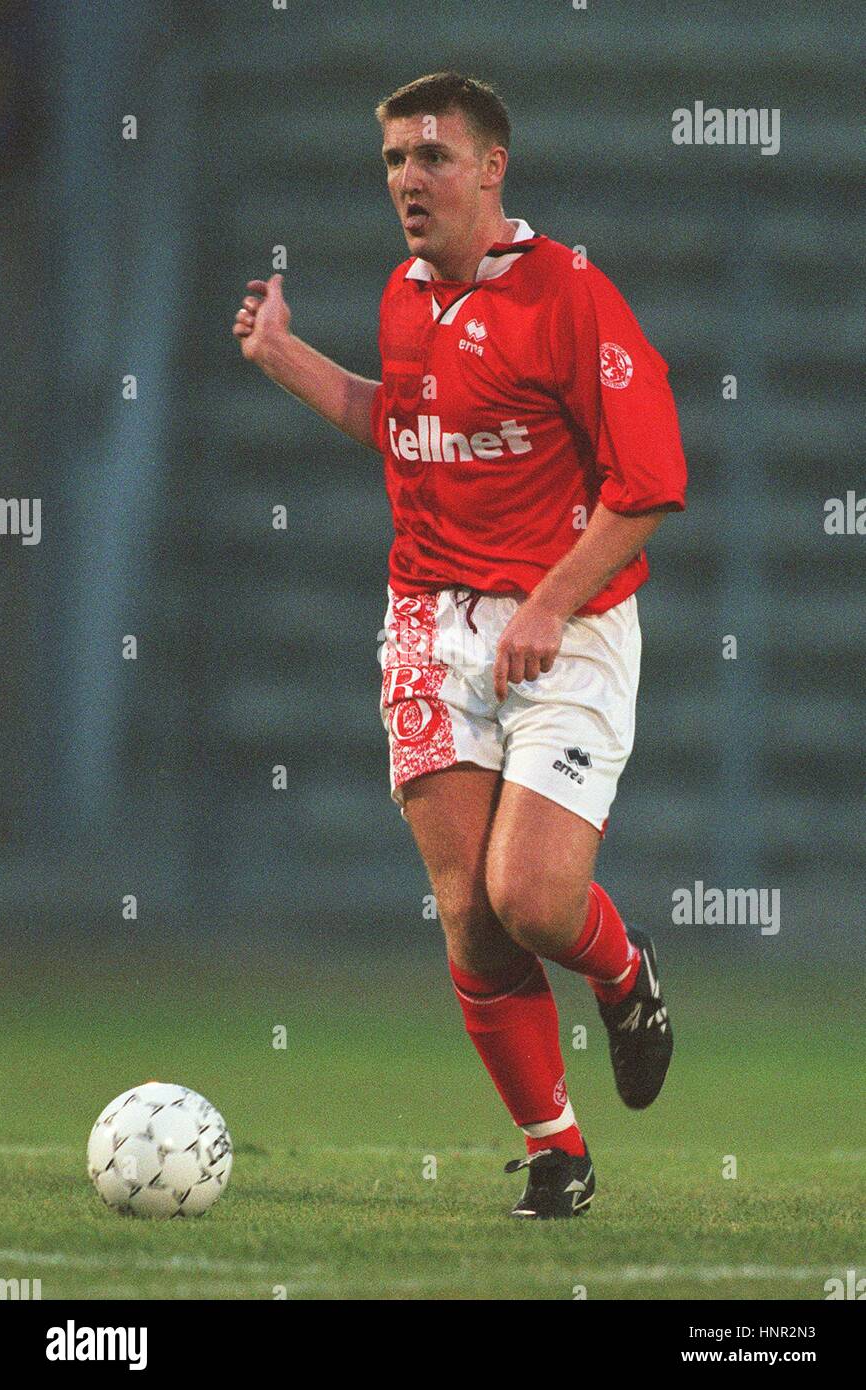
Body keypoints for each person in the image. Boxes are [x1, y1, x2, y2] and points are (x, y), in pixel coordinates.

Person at [233, 71, 687, 1219]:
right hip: (429, 620)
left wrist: (543, 604)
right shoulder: (404, 295)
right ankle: (557, 1151)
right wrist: (288, 358)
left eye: (429, 156)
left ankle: (626, 978)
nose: (405, 180)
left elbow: (648, 488)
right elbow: (403, 431)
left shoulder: (573, 296)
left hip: (569, 627)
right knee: (468, 910)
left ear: (493, 167)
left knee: (533, 898)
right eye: (391, 160)